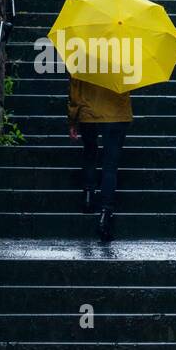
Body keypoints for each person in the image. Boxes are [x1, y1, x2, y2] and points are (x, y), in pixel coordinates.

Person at [67, 76, 132, 242]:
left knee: (90, 151)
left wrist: (73, 118)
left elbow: (75, 87)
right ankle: (105, 214)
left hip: (88, 110)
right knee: (110, 166)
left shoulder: (82, 51)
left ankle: (88, 195)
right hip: (116, 112)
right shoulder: (126, 50)